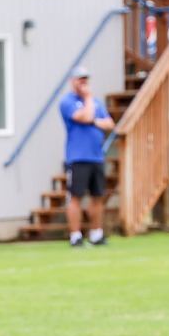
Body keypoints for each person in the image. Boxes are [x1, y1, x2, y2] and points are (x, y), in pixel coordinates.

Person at [58, 70, 113, 247]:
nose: (83, 83)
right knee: (76, 196)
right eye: (80, 80)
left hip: (96, 157)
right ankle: (76, 235)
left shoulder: (96, 102)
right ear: (72, 81)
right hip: (78, 157)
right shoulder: (68, 102)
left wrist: (94, 121)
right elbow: (84, 116)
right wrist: (88, 99)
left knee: (97, 196)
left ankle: (96, 234)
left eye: (85, 80)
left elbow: (109, 124)